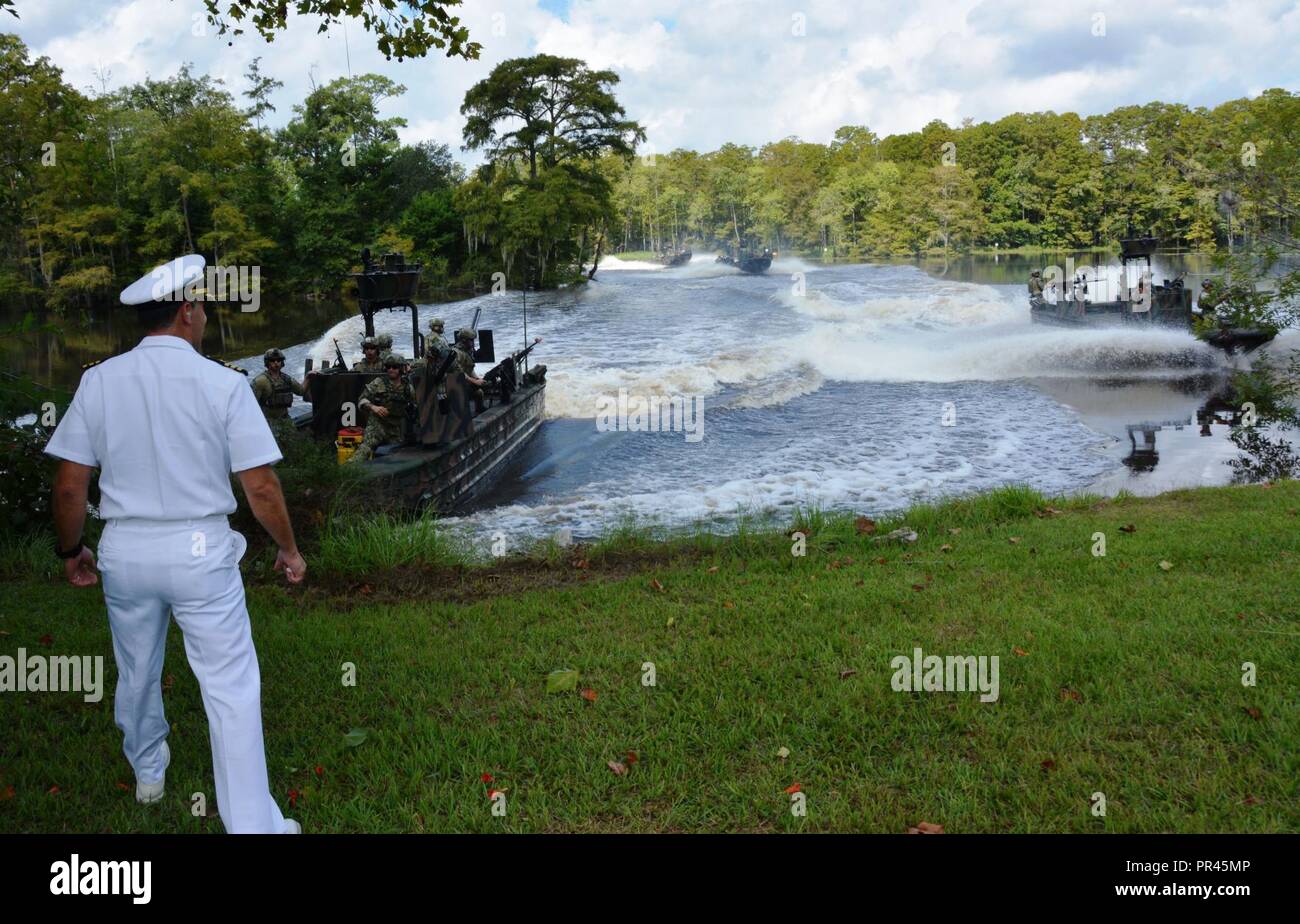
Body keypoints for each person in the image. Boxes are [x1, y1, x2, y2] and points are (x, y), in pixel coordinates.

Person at [44, 254, 304, 835]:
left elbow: (69, 485)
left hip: (125, 552)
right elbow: (259, 485)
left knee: (136, 668)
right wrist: (288, 550)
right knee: (231, 687)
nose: (206, 314)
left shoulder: (98, 380)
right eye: (203, 304)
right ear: (187, 311)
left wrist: (70, 551)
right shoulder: (223, 383)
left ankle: (149, 774)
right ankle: (253, 826)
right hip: (200, 552)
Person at [348, 352, 416, 462]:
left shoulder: (408, 388)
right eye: (388, 367)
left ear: (401, 369)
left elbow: (414, 404)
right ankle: (348, 471)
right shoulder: (379, 382)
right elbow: (362, 400)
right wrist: (373, 407)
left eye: (394, 367)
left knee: (399, 456)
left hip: (394, 427)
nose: (391, 370)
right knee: (365, 450)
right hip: (377, 424)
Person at [250, 348, 305, 420]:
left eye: (279, 360)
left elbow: (301, 391)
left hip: (284, 420)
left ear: (282, 362)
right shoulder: (260, 382)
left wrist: (308, 377)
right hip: (268, 421)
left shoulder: (286, 379)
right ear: (267, 362)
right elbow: (250, 405)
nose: (276, 362)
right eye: (272, 360)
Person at [453, 328, 487, 412]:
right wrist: (474, 381)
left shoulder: (468, 351)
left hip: (465, 380)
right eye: (471, 340)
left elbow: (470, 368)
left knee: (480, 392)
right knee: (476, 392)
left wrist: (477, 379)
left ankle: (479, 409)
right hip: (456, 383)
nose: (473, 343)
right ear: (464, 340)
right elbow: (459, 372)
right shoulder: (457, 353)